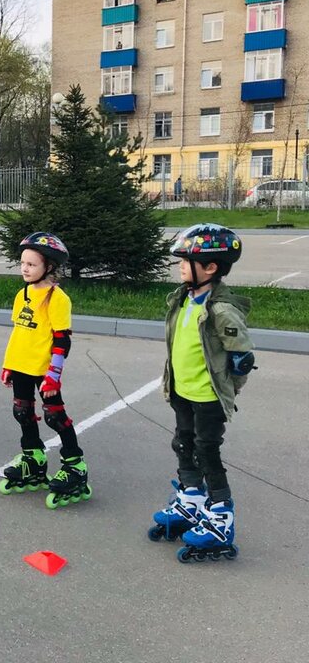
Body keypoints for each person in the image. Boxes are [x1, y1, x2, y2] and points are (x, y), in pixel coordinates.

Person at [150, 224, 252, 562]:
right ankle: (191, 500)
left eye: (186, 261)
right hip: (182, 390)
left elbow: (242, 358)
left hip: (207, 397)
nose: (179, 266)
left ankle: (220, 516)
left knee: (207, 452)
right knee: (183, 443)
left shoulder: (222, 310)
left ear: (210, 267)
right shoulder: (183, 298)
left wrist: (227, 387)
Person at [0, 232, 90, 509]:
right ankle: (33, 458)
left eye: (31, 264)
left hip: (45, 370)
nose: (24, 269)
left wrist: (54, 374)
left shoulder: (56, 298)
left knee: (55, 417)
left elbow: (62, 339)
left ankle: (75, 465)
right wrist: (9, 364)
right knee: (22, 412)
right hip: (21, 366)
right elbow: (19, 333)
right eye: (23, 263)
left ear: (48, 267)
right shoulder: (22, 293)